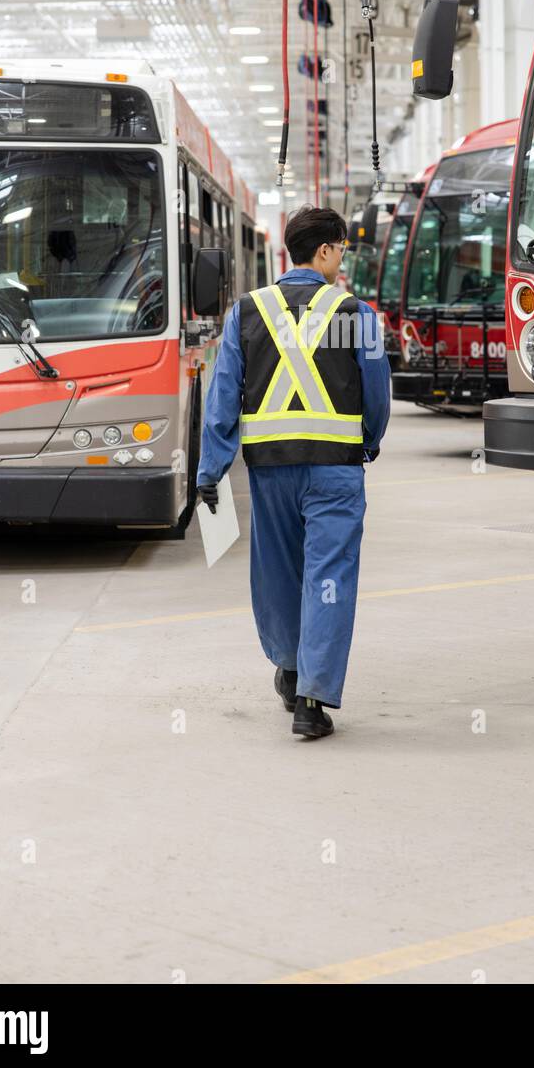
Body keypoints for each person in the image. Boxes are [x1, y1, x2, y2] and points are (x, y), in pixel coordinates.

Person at [196, 205, 391, 739]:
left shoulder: (245, 312)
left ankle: (287, 667)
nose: (341, 261)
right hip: (335, 471)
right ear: (325, 251)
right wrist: (367, 443)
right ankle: (311, 699)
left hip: (270, 470)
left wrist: (210, 471)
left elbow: (222, 401)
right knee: (329, 575)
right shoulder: (359, 314)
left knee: (279, 572)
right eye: (341, 251)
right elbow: (377, 394)